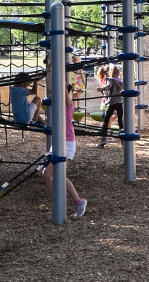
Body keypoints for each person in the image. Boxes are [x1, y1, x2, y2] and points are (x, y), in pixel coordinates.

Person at [44, 81, 88, 220]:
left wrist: (61, 83)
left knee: (57, 174)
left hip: (67, 143)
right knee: (48, 174)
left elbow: (65, 95)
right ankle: (59, 205)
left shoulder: (68, 105)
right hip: (58, 143)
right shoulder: (56, 105)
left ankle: (76, 202)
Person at [97, 66, 126, 147]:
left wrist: (100, 89)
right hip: (119, 102)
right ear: (118, 73)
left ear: (111, 72)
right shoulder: (121, 81)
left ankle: (103, 139)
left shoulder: (110, 80)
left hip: (112, 103)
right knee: (120, 121)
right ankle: (122, 140)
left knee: (106, 121)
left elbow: (108, 87)